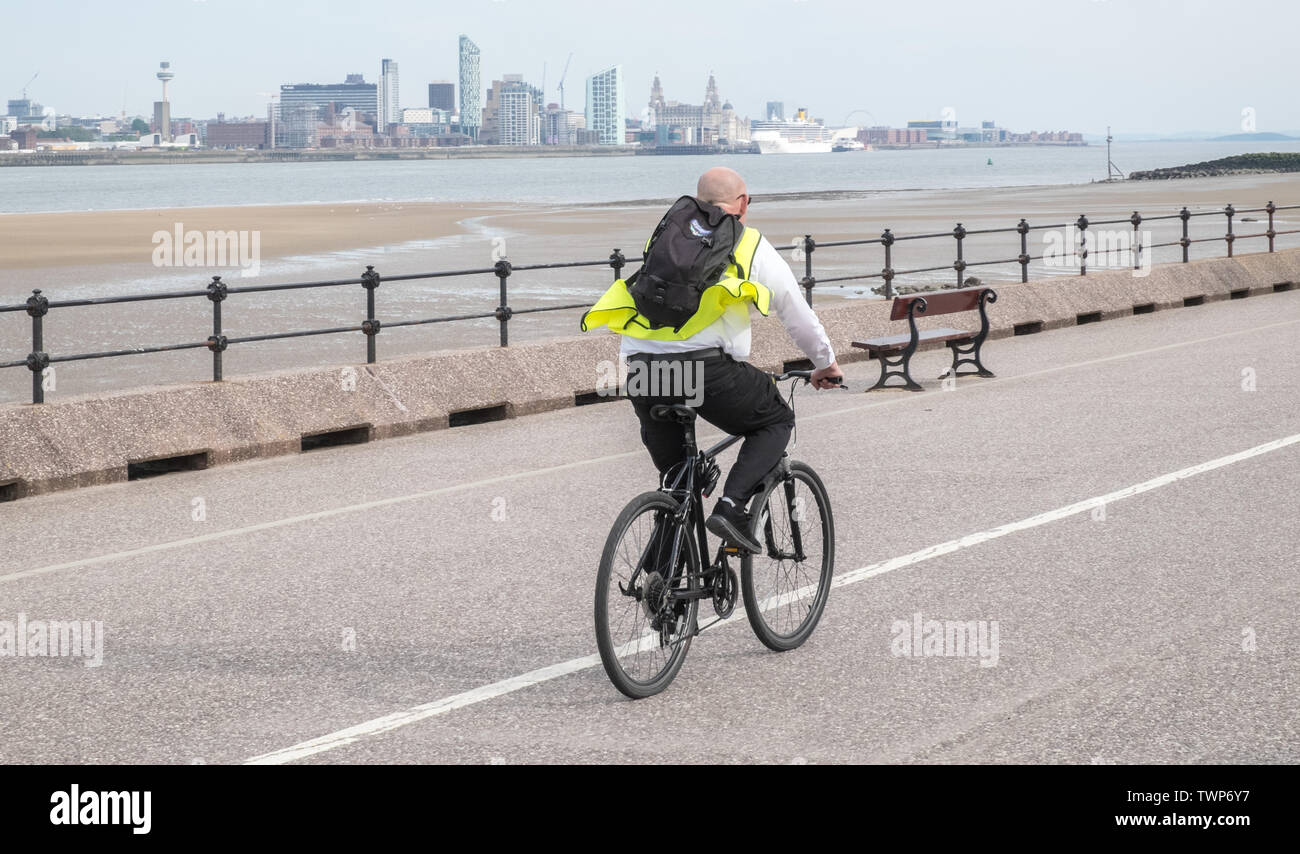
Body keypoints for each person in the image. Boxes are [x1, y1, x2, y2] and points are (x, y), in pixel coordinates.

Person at [582, 167, 843, 553]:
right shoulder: (748, 242)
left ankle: (661, 585)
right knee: (775, 419)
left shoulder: (669, 234)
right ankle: (732, 507)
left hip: (642, 370)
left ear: (698, 200)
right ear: (743, 203)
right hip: (706, 371)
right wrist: (826, 362)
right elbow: (794, 309)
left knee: (676, 484)